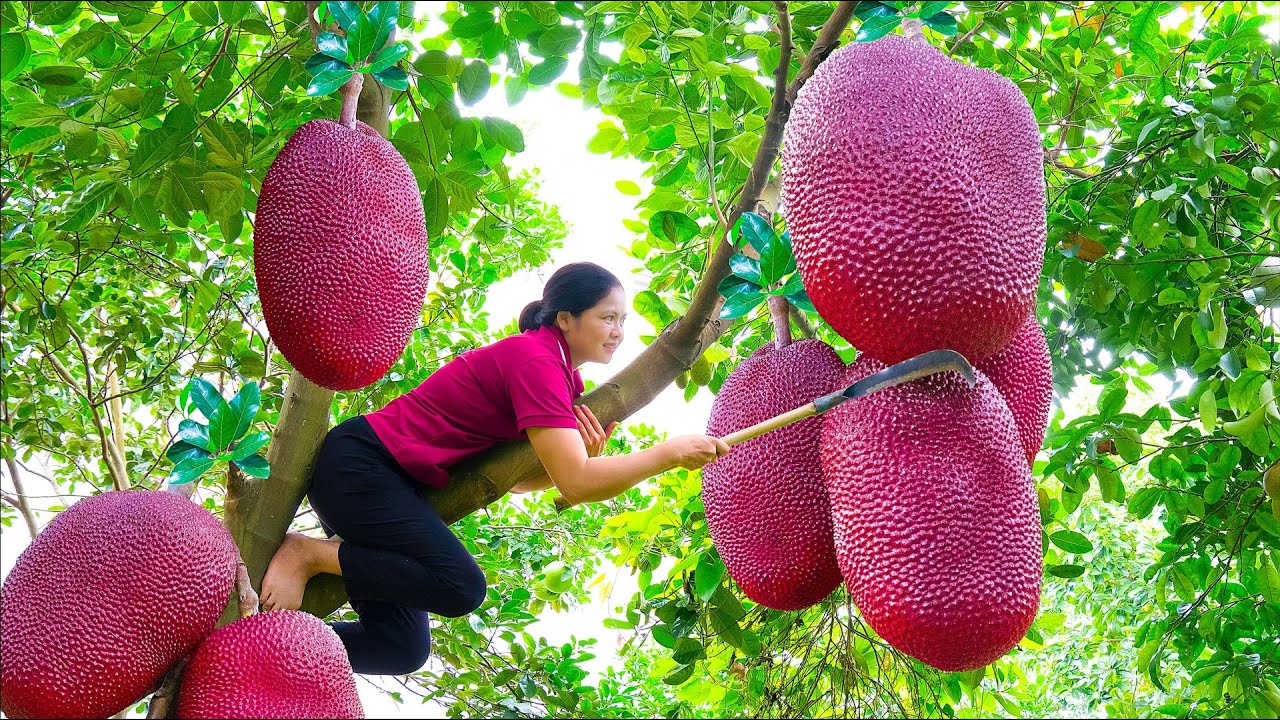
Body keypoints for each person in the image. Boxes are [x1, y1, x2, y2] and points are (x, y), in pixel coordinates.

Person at [259, 262, 731, 675]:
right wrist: (667, 455)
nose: (618, 331)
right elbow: (578, 483)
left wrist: (575, 457)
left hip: (393, 486)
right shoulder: (536, 361)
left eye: (622, 320)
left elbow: (520, 482)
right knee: (460, 587)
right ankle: (311, 555)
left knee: (399, 648)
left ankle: (272, 648)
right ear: (566, 318)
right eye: (607, 317)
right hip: (363, 468)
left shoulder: (564, 377)